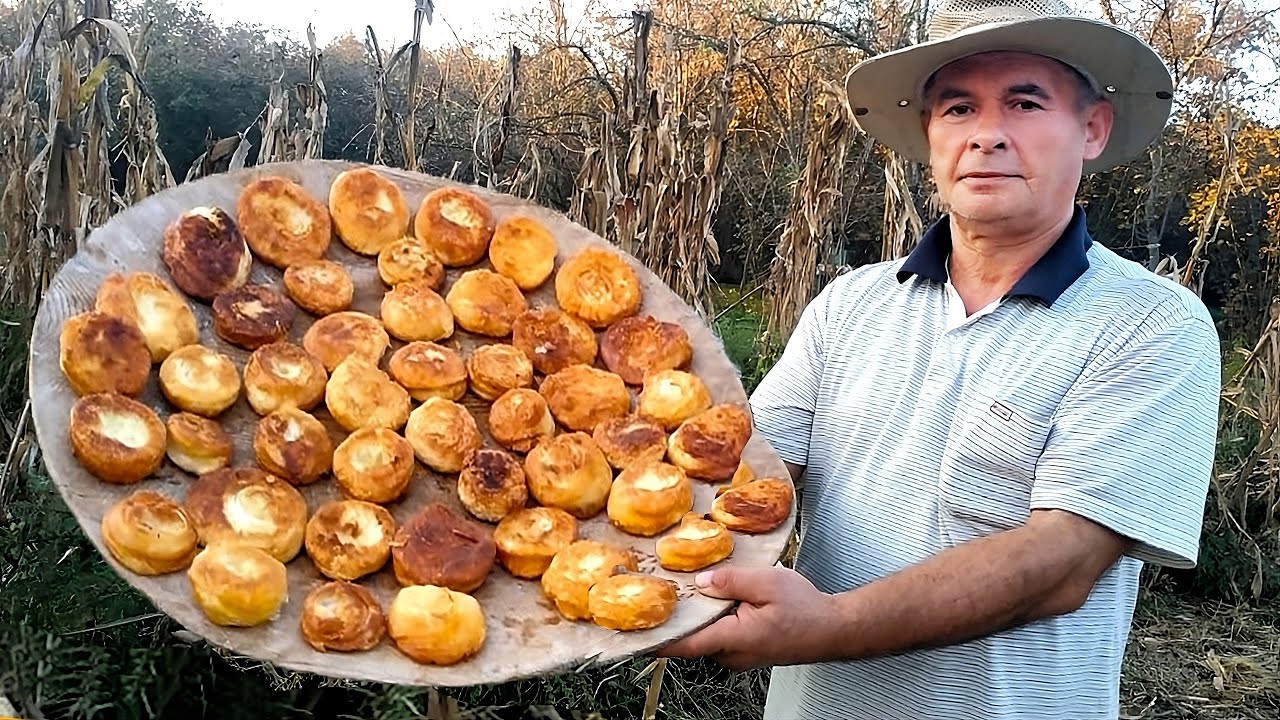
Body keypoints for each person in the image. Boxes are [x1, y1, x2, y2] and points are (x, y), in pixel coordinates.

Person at [656, 2, 1222, 719]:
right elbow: (749, 473)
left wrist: (829, 625)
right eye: (958, 108)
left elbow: (1065, 560)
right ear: (930, 134)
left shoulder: (1150, 324)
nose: (986, 134)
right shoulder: (850, 303)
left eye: (1024, 103)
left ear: (1093, 128)